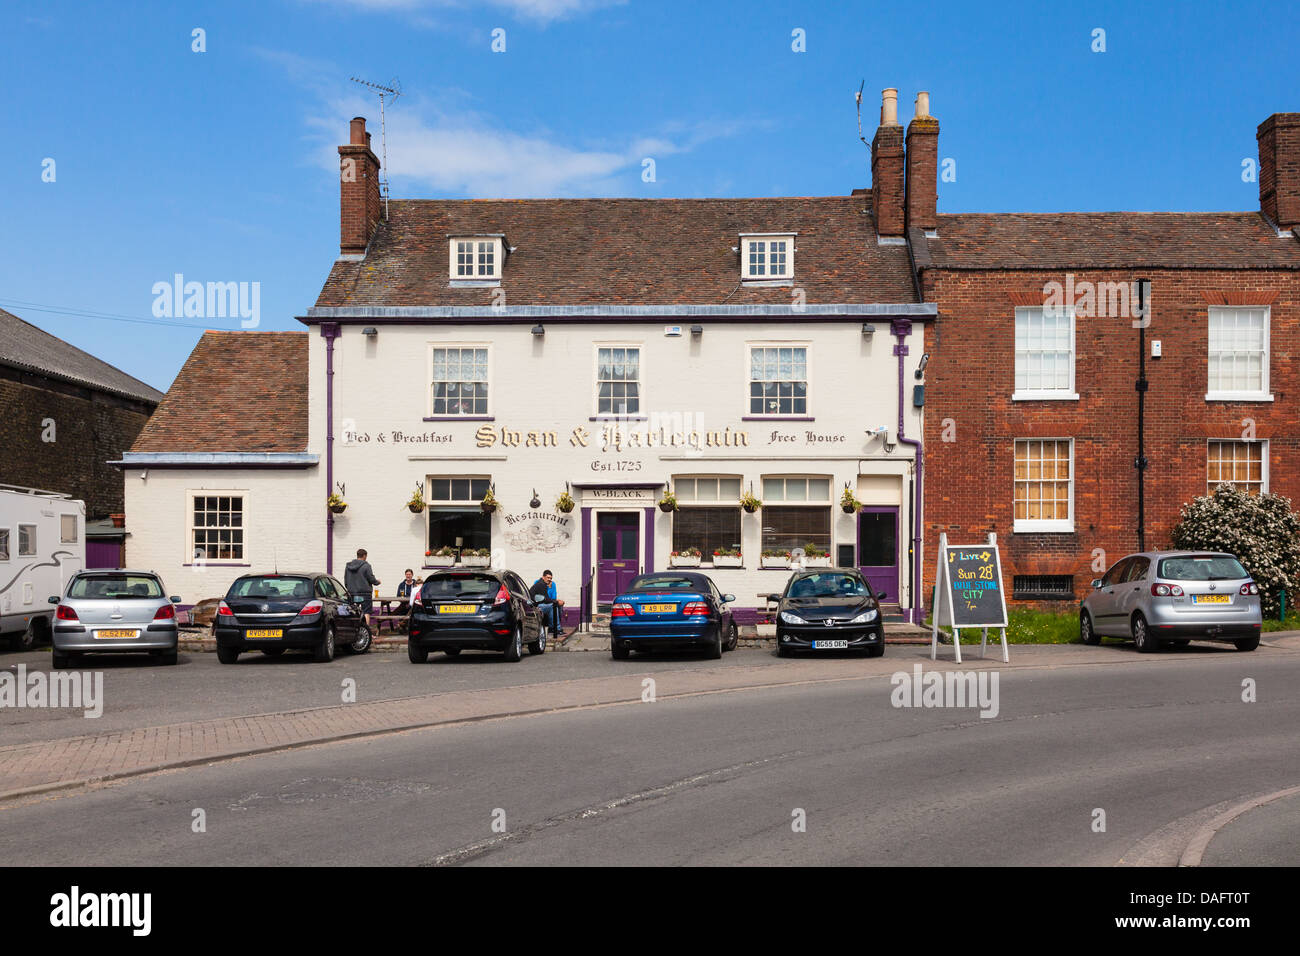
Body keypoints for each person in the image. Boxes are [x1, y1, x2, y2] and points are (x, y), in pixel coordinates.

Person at [344, 548, 381, 630]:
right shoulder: (366, 566)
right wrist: (377, 582)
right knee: (366, 612)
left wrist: (350, 588)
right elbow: (371, 578)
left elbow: (346, 580)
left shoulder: (348, 566)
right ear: (364, 556)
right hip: (365, 594)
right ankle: (366, 632)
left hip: (352, 593)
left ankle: (353, 631)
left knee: (352, 612)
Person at [530, 569, 566, 641]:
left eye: (550, 578)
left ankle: (553, 628)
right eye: (548, 577)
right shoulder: (541, 584)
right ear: (543, 577)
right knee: (553, 606)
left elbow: (548, 598)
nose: (549, 579)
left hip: (541, 604)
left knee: (557, 605)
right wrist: (556, 601)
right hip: (535, 607)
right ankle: (556, 629)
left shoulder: (544, 584)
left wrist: (556, 601)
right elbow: (545, 599)